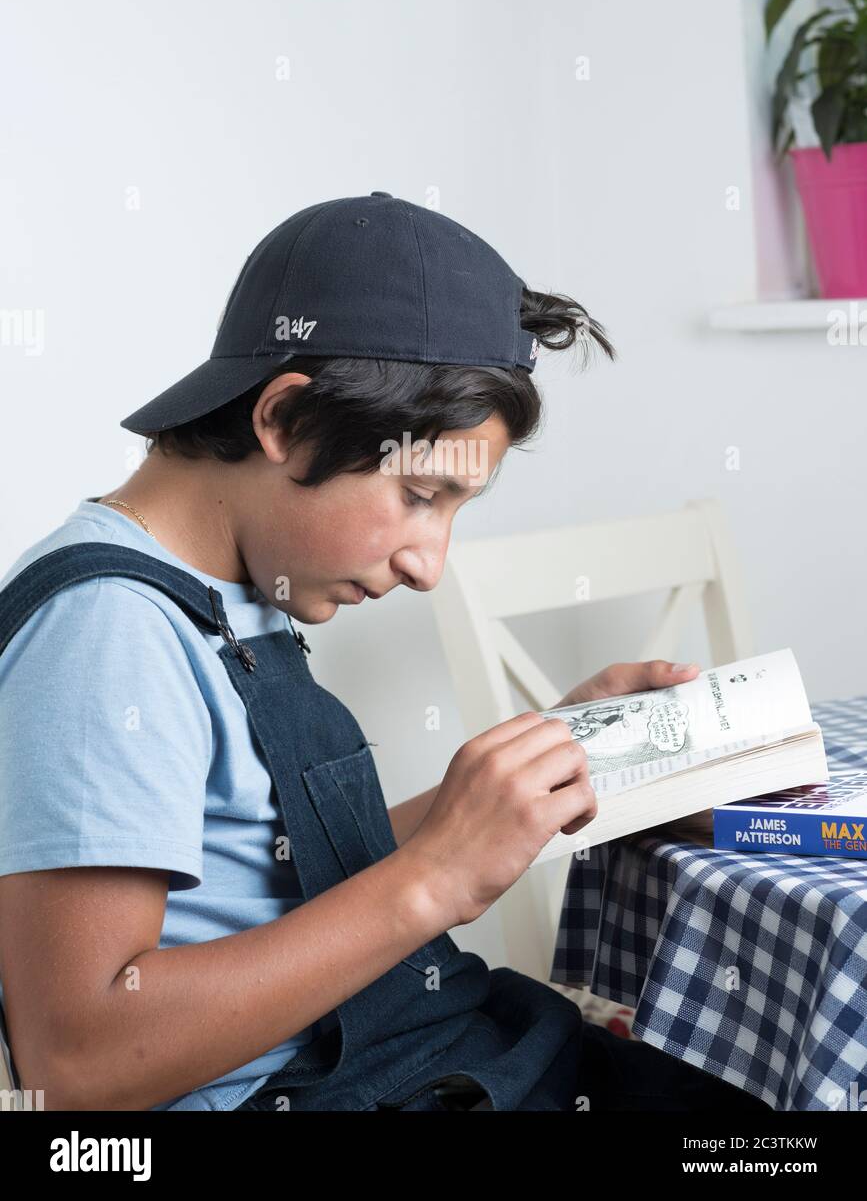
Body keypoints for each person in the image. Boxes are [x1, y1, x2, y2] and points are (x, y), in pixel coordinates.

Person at [0, 192, 773, 1112]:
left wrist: (533, 773)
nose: (428, 564)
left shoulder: (235, 586)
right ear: (286, 420)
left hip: (427, 1050)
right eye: (418, 494)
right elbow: (77, 1067)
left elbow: (277, 875)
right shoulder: (107, 629)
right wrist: (434, 878)